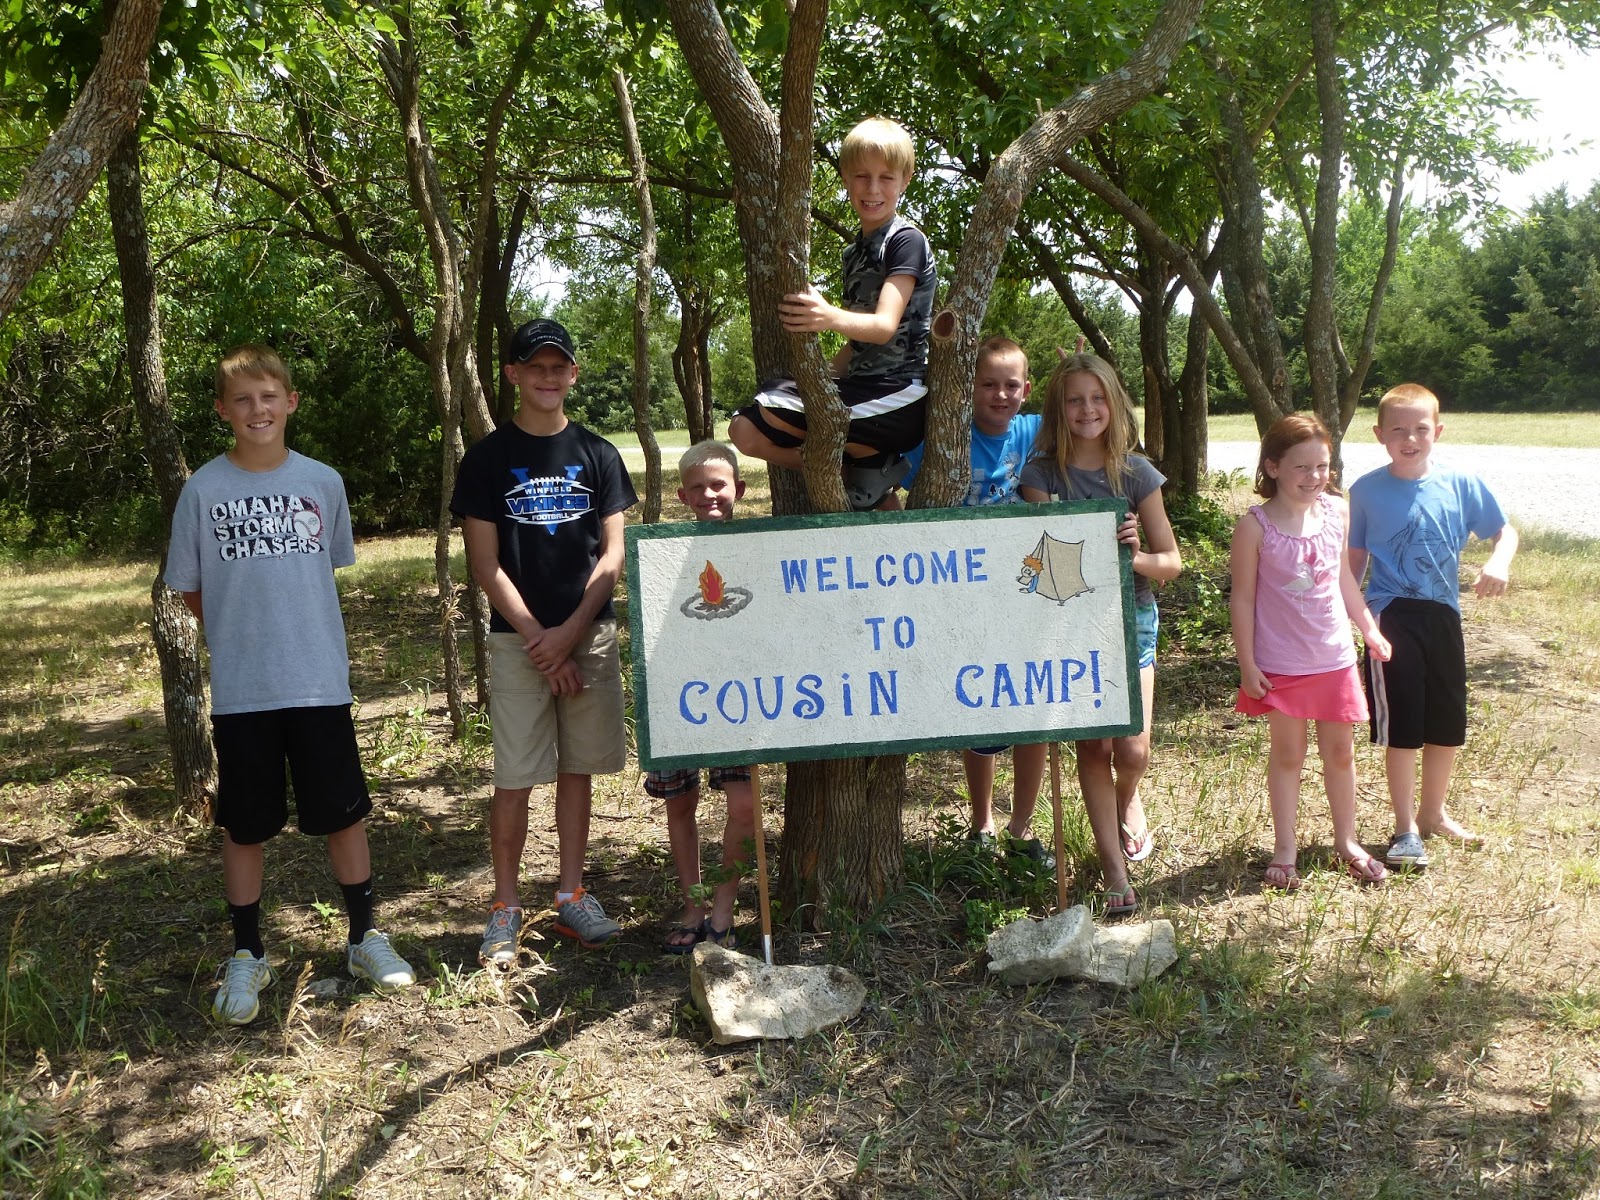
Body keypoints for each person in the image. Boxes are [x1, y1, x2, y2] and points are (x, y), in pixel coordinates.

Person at [166, 345, 415, 1025]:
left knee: (342, 814)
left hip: (318, 681)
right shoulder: (203, 491)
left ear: (290, 403)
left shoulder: (322, 482)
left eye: (268, 397)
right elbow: (191, 590)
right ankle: (248, 953)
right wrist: (243, 635)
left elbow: (324, 569)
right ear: (222, 410)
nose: (257, 410)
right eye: (242, 399)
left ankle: (364, 936)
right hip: (245, 688)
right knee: (245, 826)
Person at [450, 318, 638, 964]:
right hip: (519, 643)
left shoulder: (600, 455)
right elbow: (484, 565)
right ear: (513, 375)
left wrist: (570, 634)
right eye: (537, 367)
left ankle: (570, 896)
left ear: (574, 374)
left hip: (587, 637)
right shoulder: (487, 460)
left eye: (560, 367)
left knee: (577, 769)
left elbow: (612, 556)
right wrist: (540, 639)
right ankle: (504, 907)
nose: (549, 377)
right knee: (515, 776)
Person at [1018, 354, 1181, 917]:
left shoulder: (1137, 474)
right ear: (1058, 409)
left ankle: (1127, 799)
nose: (1087, 410)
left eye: (1097, 397)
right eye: (1074, 399)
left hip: (1130, 617)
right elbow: (1040, 565)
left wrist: (1135, 556)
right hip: (1070, 623)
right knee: (1093, 745)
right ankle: (1113, 868)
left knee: (1133, 749)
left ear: (1114, 403)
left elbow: (1171, 563)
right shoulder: (1039, 475)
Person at [1348, 383, 1518, 869]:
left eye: (1420, 428)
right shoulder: (1365, 491)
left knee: (1446, 723)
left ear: (1437, 431)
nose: (1410, 438)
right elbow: (1353, 562)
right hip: (1391, 616)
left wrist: (1500, 561)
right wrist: (1350, 621)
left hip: (1445, 616)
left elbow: (1504, 531)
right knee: (1404, 725)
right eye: (1398, 429)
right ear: (1380, 434)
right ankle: (1404, 828)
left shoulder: (1462, 482)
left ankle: (1433, 813)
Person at [728, 116, 937, 511]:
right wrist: (820, 373)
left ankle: (870, 458)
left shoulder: (905, 241)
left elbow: (882, 327)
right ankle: (860, 465)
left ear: (905, 179)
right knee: (745, 427)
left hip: (899, 395)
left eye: (886, 178)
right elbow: (858, 342)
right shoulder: (854, 251)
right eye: (861, 176)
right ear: (845, 177)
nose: (873, 189)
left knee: (773, 405)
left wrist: (826, 316)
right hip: (863, 389)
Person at [1230, 414, 1394, 889]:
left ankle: (1347, 841)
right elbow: (1242, 598)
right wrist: (1247, 663)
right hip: (1282, 664)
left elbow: (1343, 578)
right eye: (1302, 467)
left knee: (1340, 754)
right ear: (1273, 467)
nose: (1313, 477)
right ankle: (1285, 849)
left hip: (1334, 659)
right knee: (1287, 755)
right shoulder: (1254, 527)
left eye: (1322, 466)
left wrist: (1367, 629)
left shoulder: (1337, 512)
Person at [901, 336, 1049, 863]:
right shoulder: (941, 441)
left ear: (1026, 390)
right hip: (966, 599)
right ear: (969, 389)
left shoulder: (1036, 433)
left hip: (1028, 593)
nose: (1001, 395)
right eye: (988, 384)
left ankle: (1022, 827)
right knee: (982, 705)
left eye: (1011, 385)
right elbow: (896, 485)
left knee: (1033, 708)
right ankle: (982, 821)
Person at [649, 441, 759, 952]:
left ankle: (723, 906)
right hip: (680, 696)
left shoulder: (759, 547)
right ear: (681, 495)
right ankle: (693, 904)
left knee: (743, 803)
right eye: (697, 487)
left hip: (739, 700)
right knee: (681, 804)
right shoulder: (662, 553)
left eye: (718, 485)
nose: (708, 494)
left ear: (738, 488)